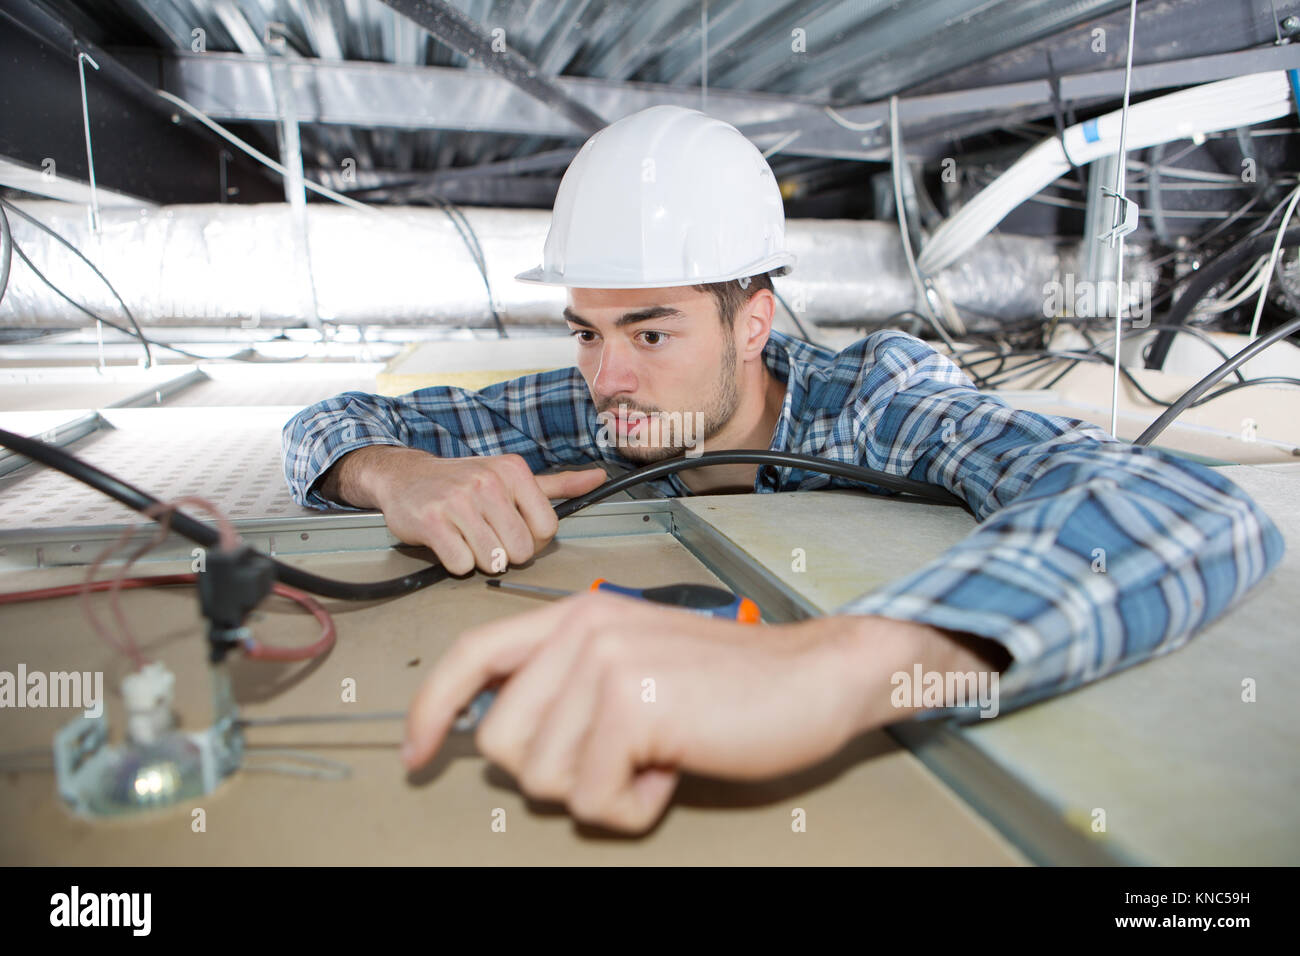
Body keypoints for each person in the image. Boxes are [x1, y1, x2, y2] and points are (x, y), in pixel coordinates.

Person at [281, 105, 1283, 834]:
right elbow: (331, 422)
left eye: (650, 329)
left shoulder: (874, 402)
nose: (607, 376)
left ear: (751, 320)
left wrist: (825, 666)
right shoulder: (597, 405)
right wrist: (395, 472)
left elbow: (1180, 505)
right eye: (585, 331)